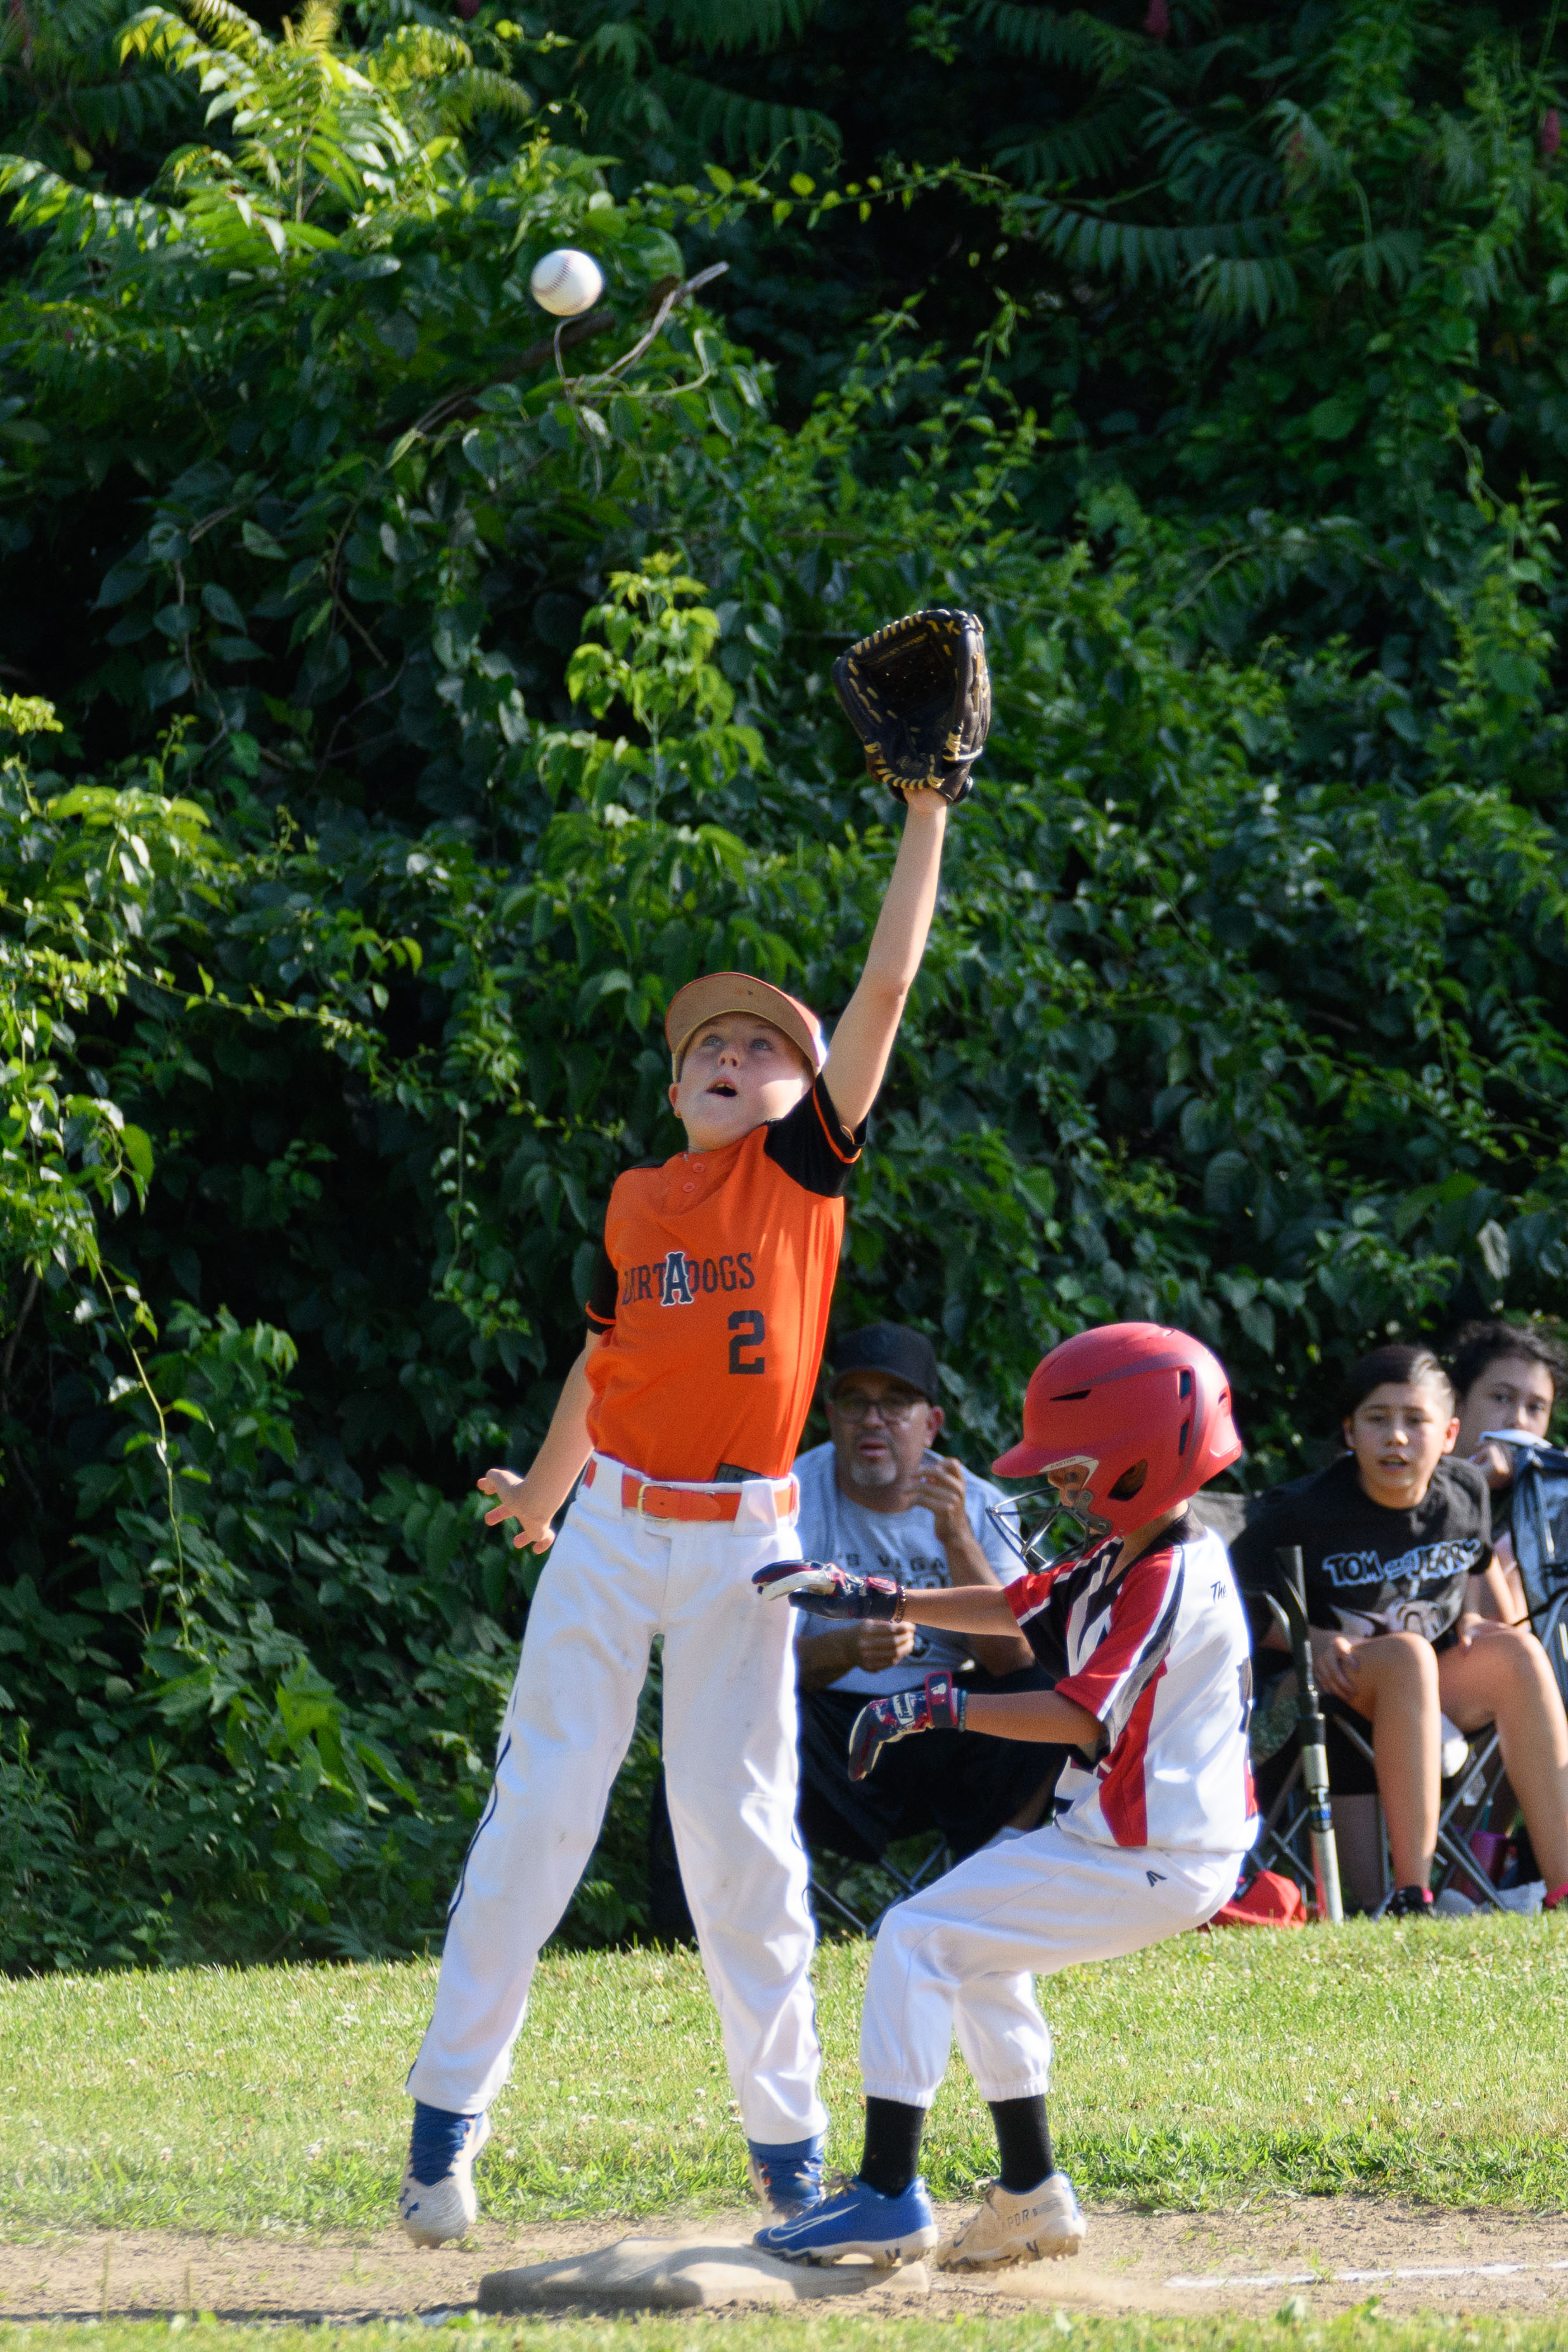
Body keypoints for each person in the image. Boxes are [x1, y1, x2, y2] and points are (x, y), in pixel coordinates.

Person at [396, 786, 954, 2247]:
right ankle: (442, 2133)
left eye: (764, 1041)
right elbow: (606, 1357)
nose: (730, 1050)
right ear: (672, 1087)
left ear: (809, 1089)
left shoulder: (796, 1183)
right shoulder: (639, 1200)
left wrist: (921, 808)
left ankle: (790, 2162)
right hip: (608, 1532)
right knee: (540, 1812)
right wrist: (542, 1485)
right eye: (708, 1040)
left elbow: (887, 980)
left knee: (740, 1839)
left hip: (743, 1546)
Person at [751, 1322, 1257, 2271]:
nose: (1057, 1484)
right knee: (977, 1958)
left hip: (1151, 1855)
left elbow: (1075, 1714)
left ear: (1139, 1457)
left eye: (1072, 1467)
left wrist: (931, 1704)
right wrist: (870, 1595)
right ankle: (1028, 2193)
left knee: (914, 1938)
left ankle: (886, 2195)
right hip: (1124, 1842)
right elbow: (1016, 1603)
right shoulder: (1127, 1550)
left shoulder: (1167, 1574)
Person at [1232, 1343, 1568, 1919]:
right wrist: (1304, 1637)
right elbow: (1223, 1606)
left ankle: (1562, 1884)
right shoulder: (1301, 1511)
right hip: (1317, 1687)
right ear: (1349, 1432)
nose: (1396, 1437)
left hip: (1424, 1686)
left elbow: (1476, 1561)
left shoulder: (1464, 1492)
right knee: (1409, 1654)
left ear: (1448, 1433)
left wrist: (1472, 1614)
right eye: (1377, 1419)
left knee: (1516, 1650)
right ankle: (1413, 1894)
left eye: (1415, 1421)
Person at [792, 1321, 1061, 1867]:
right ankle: (704, 1925)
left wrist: (956, 1539)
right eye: (854, 1402)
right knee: (732, 1705)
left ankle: (996, 1878)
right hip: (826, 1732)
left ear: (931, 1424)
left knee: (1052, 1691)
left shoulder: (977, 1506)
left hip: (942, 1720)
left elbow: (1017, 1661)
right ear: (830, 1416)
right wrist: (846, 1649)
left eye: (895, 1404)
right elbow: (754, 1661)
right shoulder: (794, 1497)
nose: (872, 1420)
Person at [1449, 1320, 1566, 1625]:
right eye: (1501, 1398)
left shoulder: (1548, 1496)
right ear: (1458, 1404)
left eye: (1536, 1407)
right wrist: (1472, 1491)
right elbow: (1493, 1621)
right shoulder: (1413, 1483)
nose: (1519, 1421)